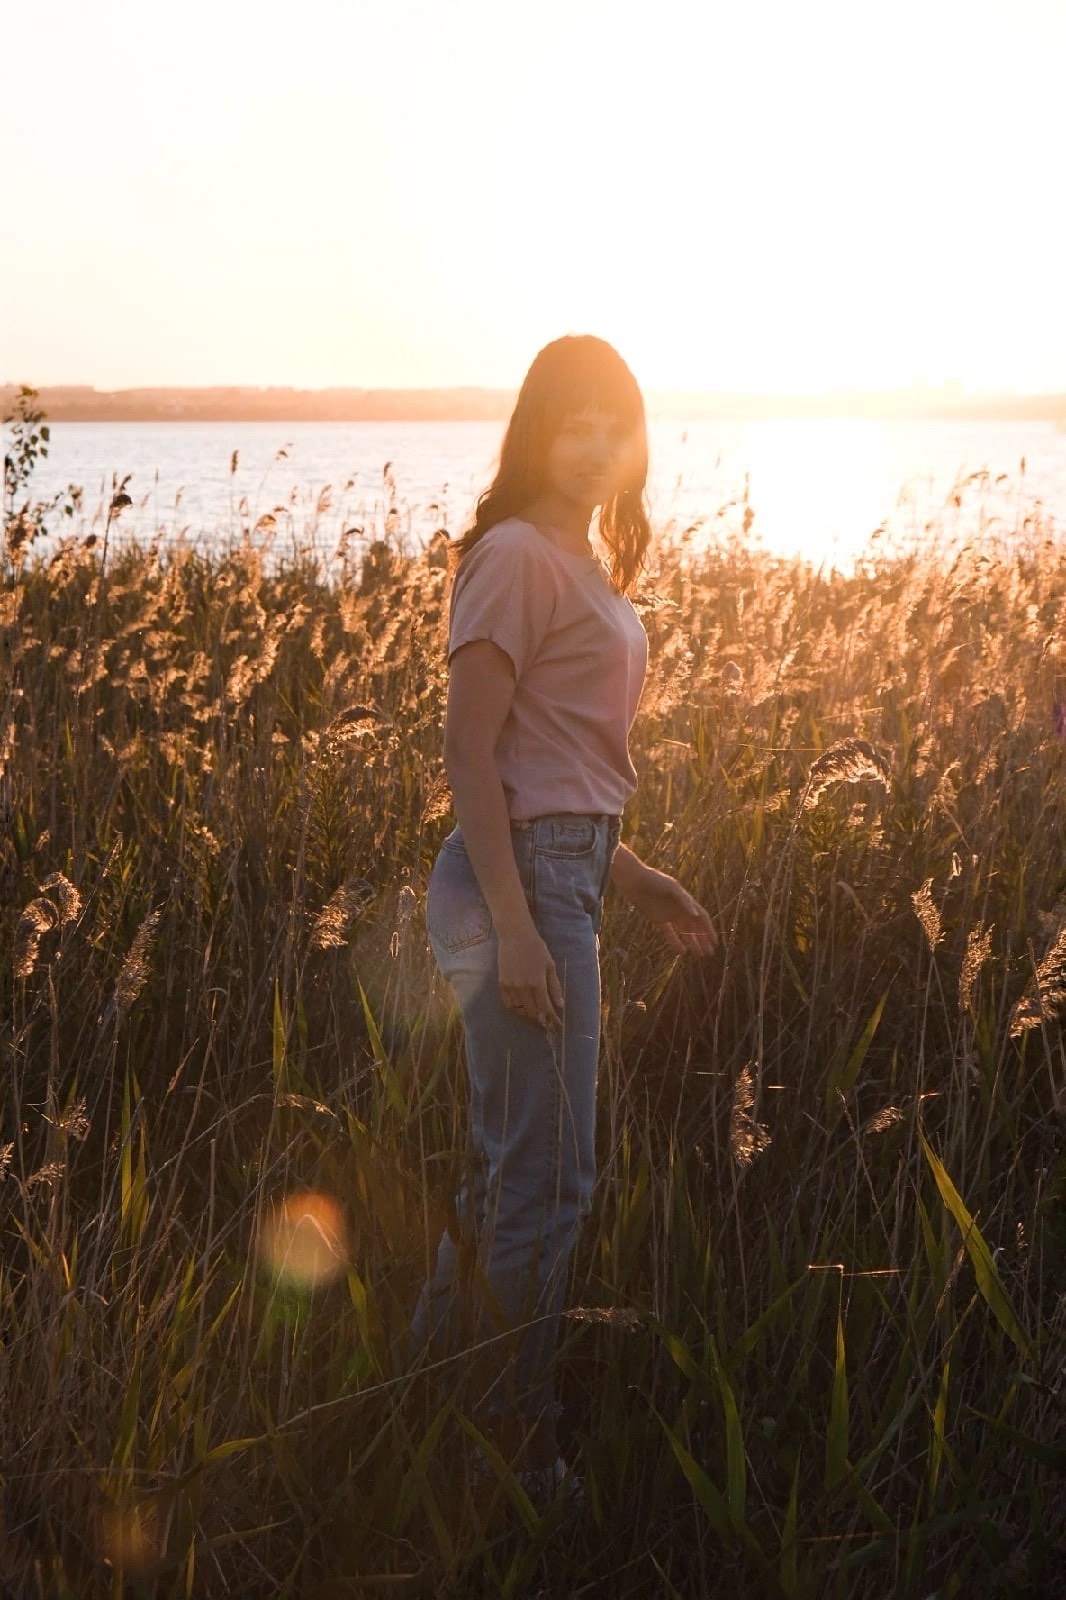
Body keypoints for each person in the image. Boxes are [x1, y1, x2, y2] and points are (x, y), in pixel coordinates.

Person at [411, 334, 716, 1504]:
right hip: (518, 889)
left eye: (612, 426)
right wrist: (519, 926)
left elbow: (553, 766)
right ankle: (513, 1451)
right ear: (533, 433)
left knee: (512, 1172)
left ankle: (425, 1392)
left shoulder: (580, 563)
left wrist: (627, 875)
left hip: (559, 874)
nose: (592, 447)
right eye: (570, 423)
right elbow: (470, 753)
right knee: (550, 1183)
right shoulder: (514, 557)